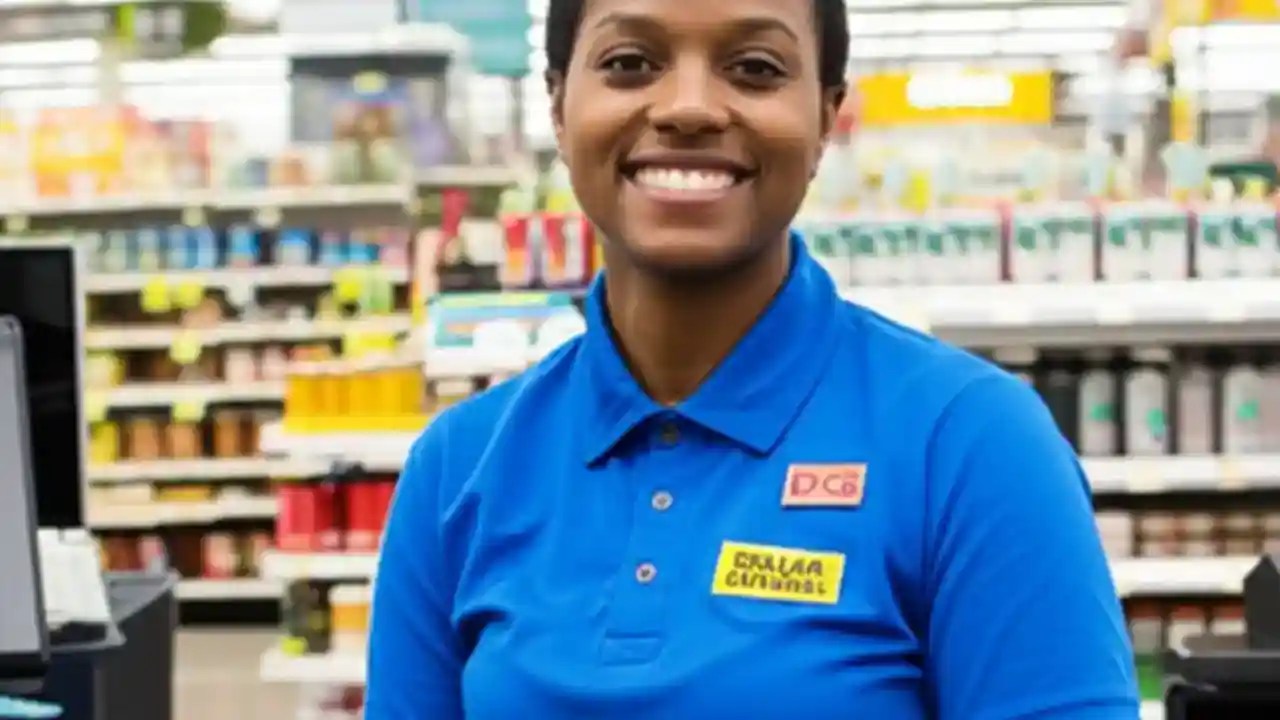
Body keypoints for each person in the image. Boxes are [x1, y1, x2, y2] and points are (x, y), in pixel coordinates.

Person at [366, 1, 1140, 717]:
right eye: (631, 63)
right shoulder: (457, 466)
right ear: (560, 108)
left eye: (756, 69)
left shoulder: (971, 444)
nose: (689, 106)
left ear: (826, 116)